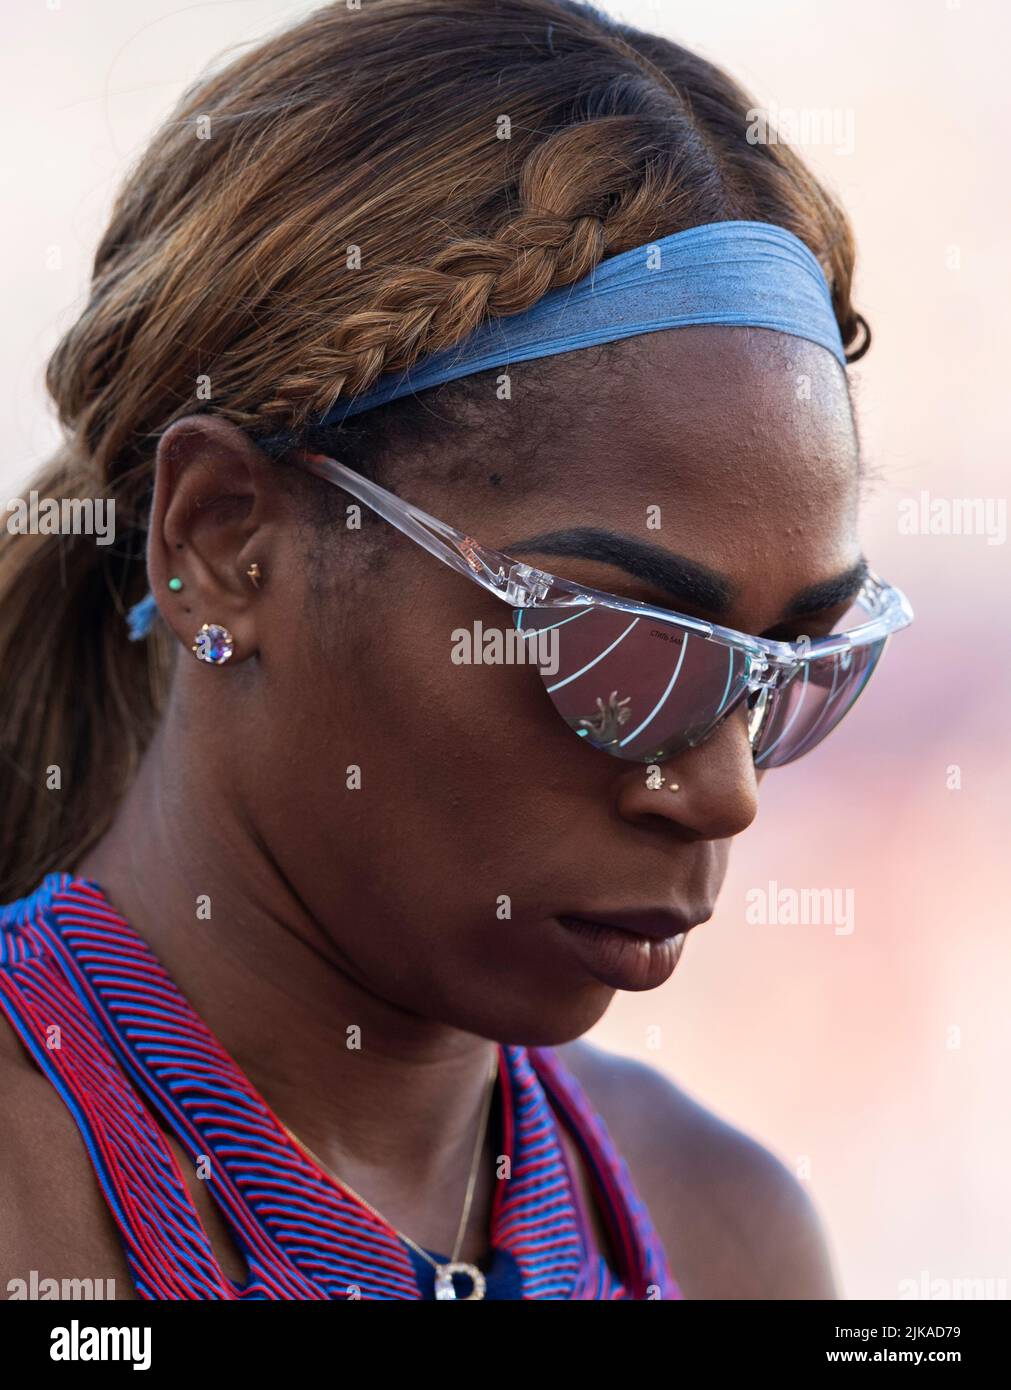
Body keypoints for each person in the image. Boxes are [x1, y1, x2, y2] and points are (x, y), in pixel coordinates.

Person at [0, 0, 912, 1300]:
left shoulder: (720, 1231)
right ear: (220, 543)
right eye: (622, 646)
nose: (725, 791)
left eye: (794, 667)